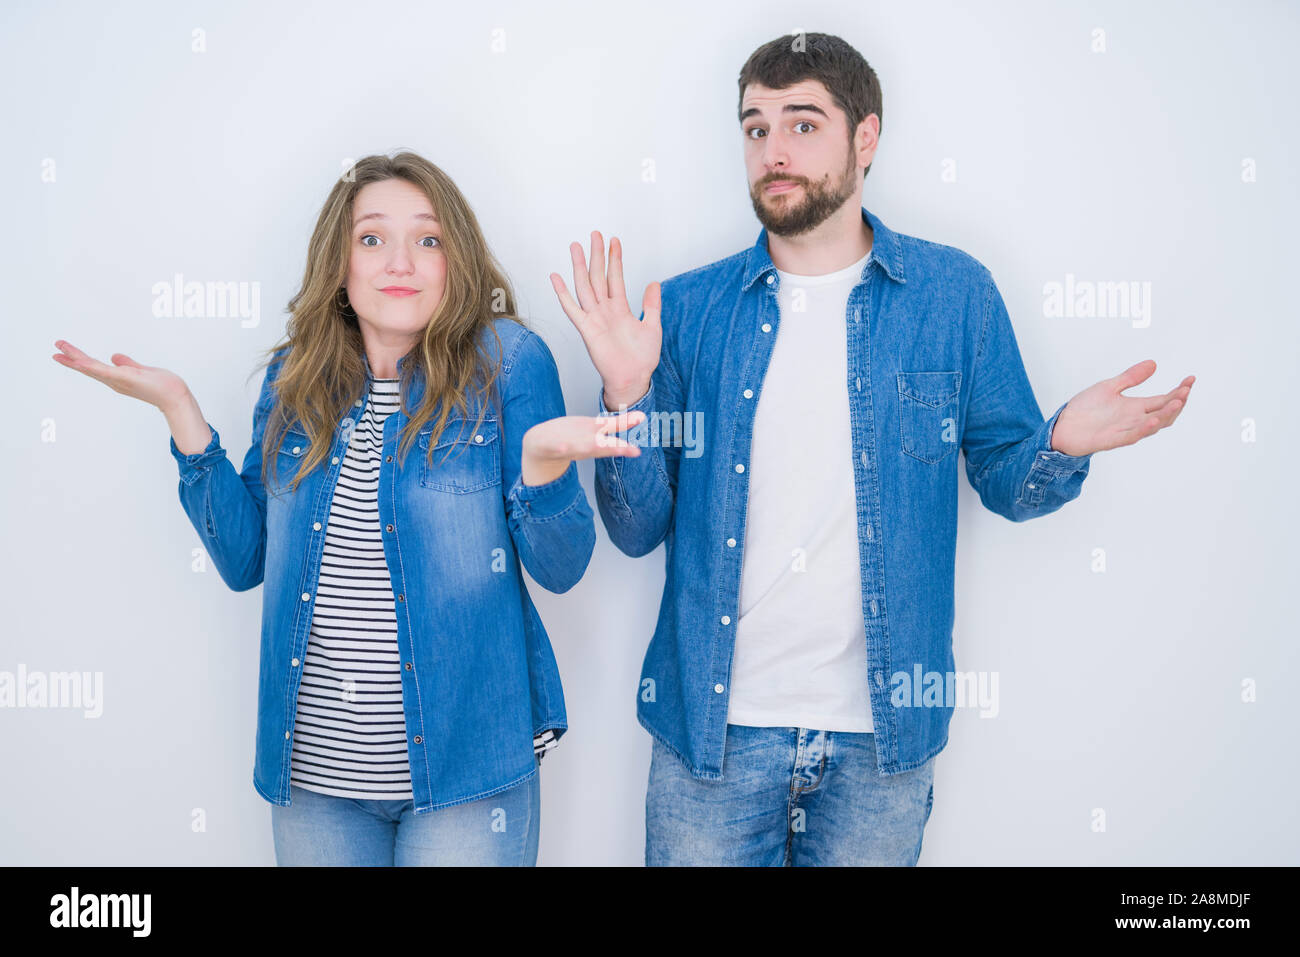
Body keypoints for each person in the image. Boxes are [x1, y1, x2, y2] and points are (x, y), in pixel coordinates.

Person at [550, 32, 1195, 866]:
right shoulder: (687, 308)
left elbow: (1007, 480)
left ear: (866, 138)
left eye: (802, 124)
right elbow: (637, 532)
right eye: (755, 128)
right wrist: (627, 398)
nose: (773, 151)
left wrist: (1060, 444)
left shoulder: (953, 293)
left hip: (880, 747)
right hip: (711, 737)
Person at [53, 151, 643, 866]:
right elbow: (245, 561)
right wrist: (184, 416)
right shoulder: (293, 376)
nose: (400, 260)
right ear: (340, 264)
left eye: (428, 239)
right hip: (315, 784)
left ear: (456, 262)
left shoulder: (509, 362)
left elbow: (561, 568)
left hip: (467, 775)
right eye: (372, 238)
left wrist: (544, 471)